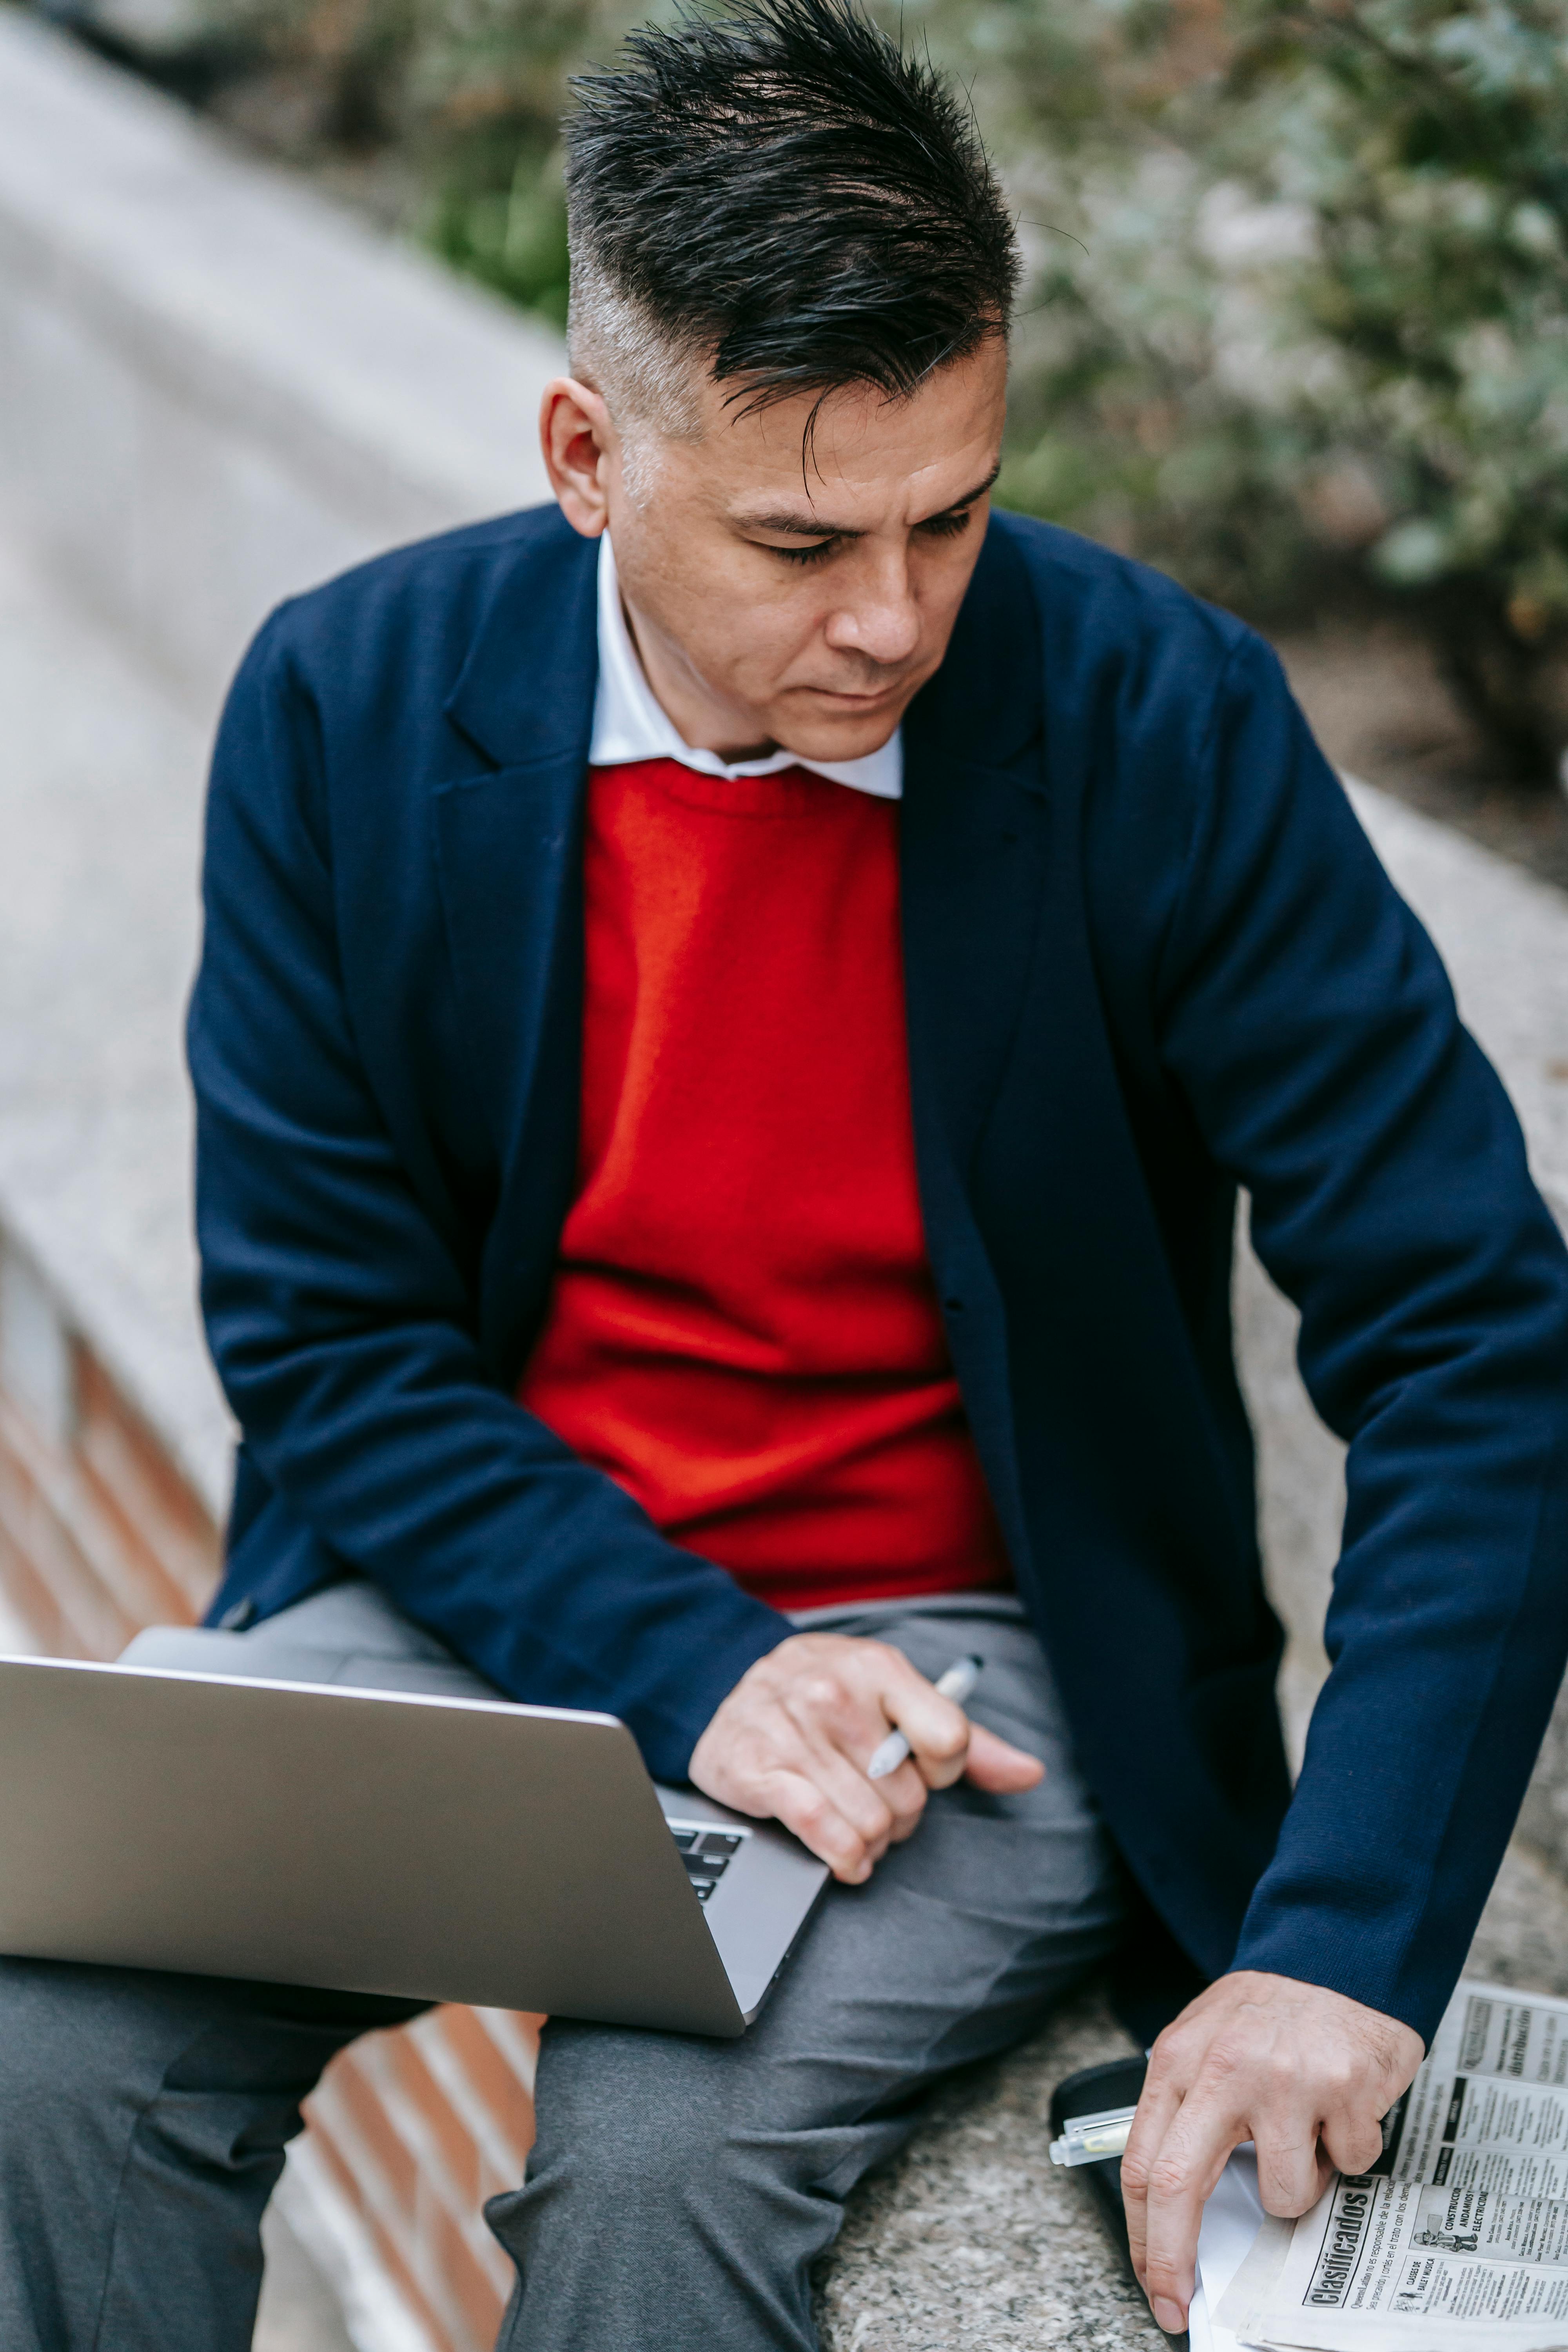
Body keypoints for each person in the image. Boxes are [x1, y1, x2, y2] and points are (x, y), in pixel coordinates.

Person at [2, 1, 1566, 2344]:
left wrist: (1337, 1950)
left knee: (651, 2170)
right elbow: (328, 1339)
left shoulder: (1161, 722)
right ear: (584, 454)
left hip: (987, 1673)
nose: (895, 621)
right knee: (45, 2052)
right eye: (804, 536)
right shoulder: (347, 705)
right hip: (495, 1600)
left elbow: (1478, 1338)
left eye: (956, 513)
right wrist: (690, 1660)